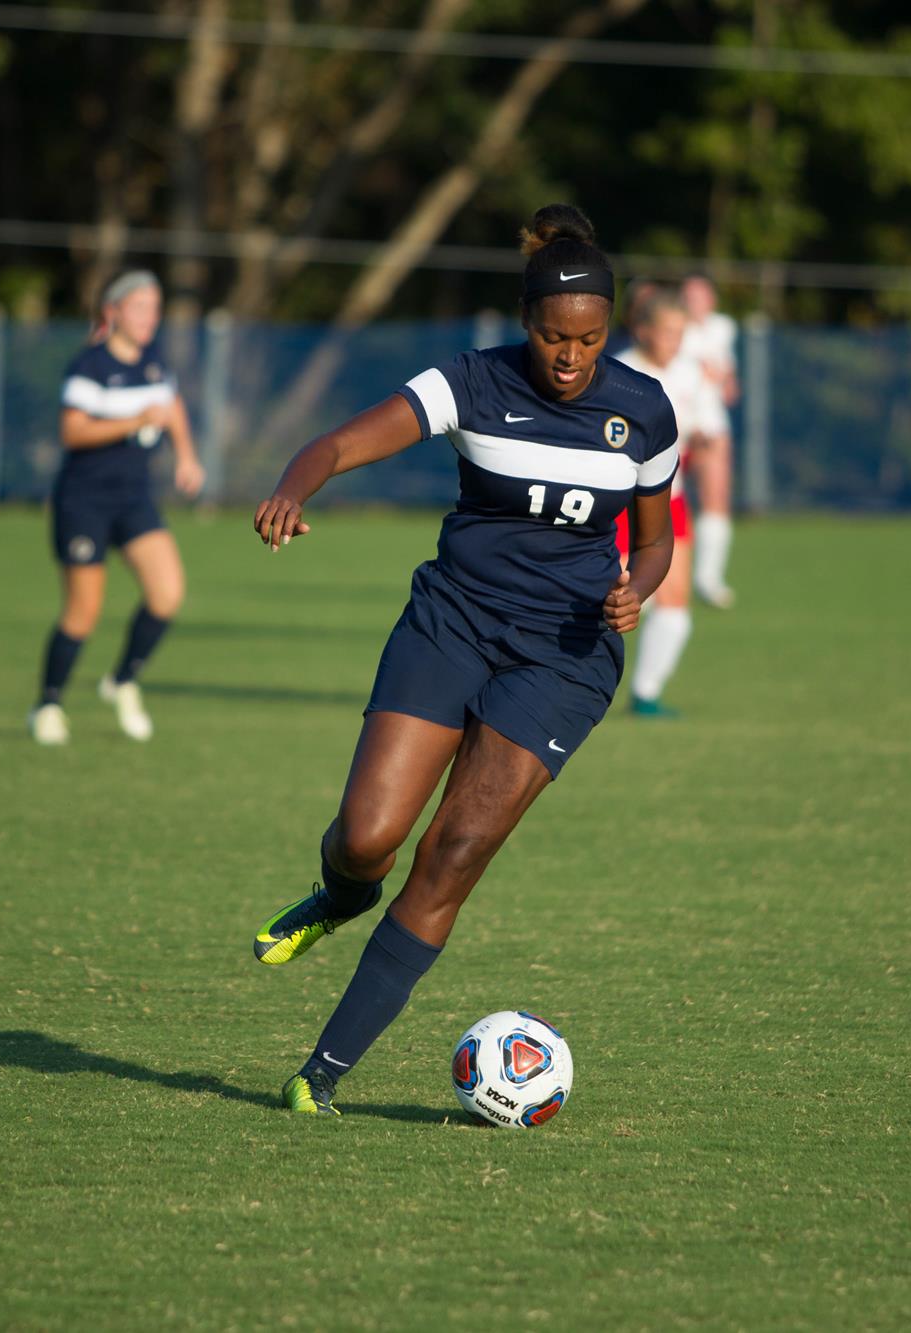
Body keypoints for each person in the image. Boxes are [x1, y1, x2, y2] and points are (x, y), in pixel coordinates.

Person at [246, 204, 679, 1115]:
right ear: (526, 324)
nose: (571, 357)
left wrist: (637, 586)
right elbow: (340, 441)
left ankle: (319, 1076)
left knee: (455, 850)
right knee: (368, 837)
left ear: (611, 329)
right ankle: (339, 892)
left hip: (563, 656)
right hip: (454, 622)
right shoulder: (469, 383)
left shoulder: (644, 410)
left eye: (590, 339)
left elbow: (652, 538)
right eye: (555, 337)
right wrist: (295, 484)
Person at [29, 270, 205, 745]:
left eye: (156, 307)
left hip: (134, 499)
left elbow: (173, 407)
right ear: (114, 312)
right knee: (84, 612)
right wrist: (134, 420)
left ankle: (122, 680)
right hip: (84, 502)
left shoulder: (153, 361)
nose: (151, 317)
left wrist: (186, 456)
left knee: (167, 595)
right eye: (141, 307)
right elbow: (73, 431)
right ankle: (48, 704)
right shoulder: (89, 365)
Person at [611, 282, 726, 718]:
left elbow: (707, 429)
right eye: (666, 331)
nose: (674, 341)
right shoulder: (618, 373)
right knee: (612, 595)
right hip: (619, 502)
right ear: (642, 330)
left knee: (675, 600)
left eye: (681, 332)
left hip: (668, 500)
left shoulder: (690, 373)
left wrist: (702, 437)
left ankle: (645, 693)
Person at [679, 274, 739, 608]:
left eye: (700, 297)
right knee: (658, 499)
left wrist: (727, 382)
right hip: (677, 425)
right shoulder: (674, 330)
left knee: (715, 499)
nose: (693, 303)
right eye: (688, 296)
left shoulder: (722, 328)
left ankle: (708, 578)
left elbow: (727, 378)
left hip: (711, 425)